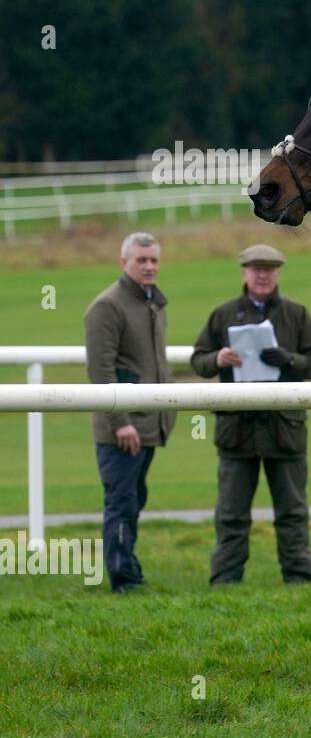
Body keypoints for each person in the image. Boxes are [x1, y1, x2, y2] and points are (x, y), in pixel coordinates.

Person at [190, 244, 311, 585]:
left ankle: (299, 579)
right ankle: (225, 579)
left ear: (278, 273)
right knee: (231, 513)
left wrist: (290, 360)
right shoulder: (223, 314)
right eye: (256, 269)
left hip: (285, 428)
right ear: (244, 273)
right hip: (237, 429)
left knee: (292, 511)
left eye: (269, 269)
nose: (263, 275)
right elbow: (198, 360)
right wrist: (218, 359)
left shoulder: (297, 314)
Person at [84, 232, 176, 593]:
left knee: (135, 500)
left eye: (154, 260)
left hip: (148, 424)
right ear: (124, 262)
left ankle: (129, 570)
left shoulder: (153, 302)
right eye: (141, 260)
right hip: (122, 429)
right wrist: (120, 422)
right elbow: (100, 371)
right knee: (121, 503)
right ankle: (123, 580)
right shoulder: (107, 306)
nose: (149, 266)